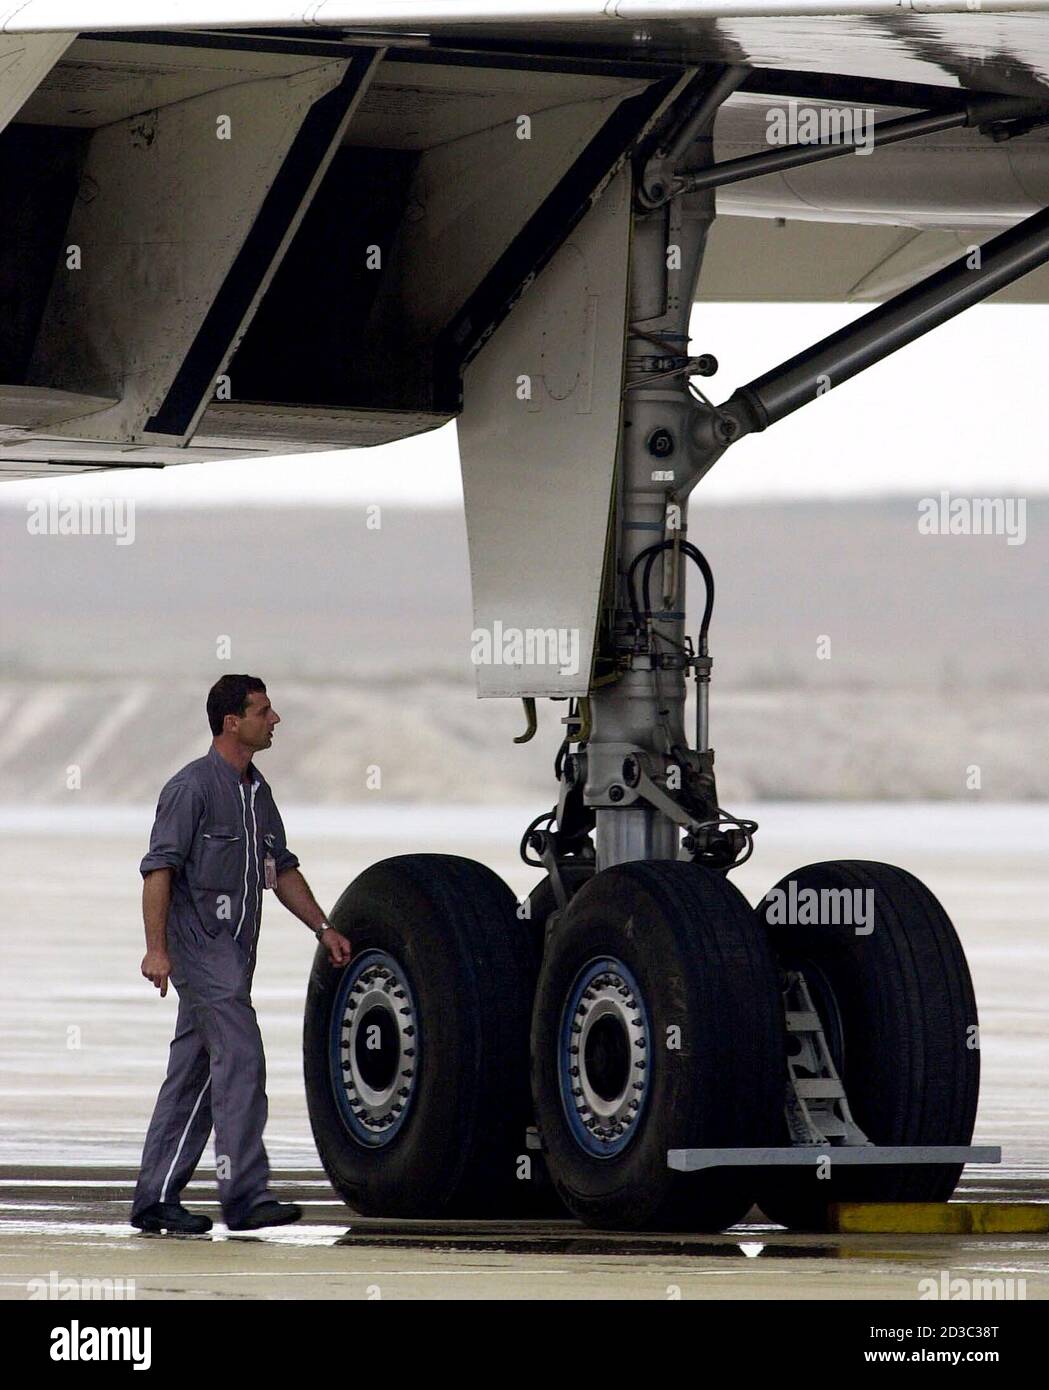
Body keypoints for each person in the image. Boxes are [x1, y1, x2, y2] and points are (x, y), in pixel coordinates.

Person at [129, 675, 351, 1234]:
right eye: (264, 711)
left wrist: (323, 928)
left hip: (236, 955)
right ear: (233, 722)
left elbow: (282, 870)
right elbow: (159, 870)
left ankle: (155, 1200)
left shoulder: (258, 792)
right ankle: (245, 1194)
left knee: (196, 1072)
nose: (274, 720)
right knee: (243, 1056)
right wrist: (156, 949)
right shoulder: (192, 788)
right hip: (201, 951)